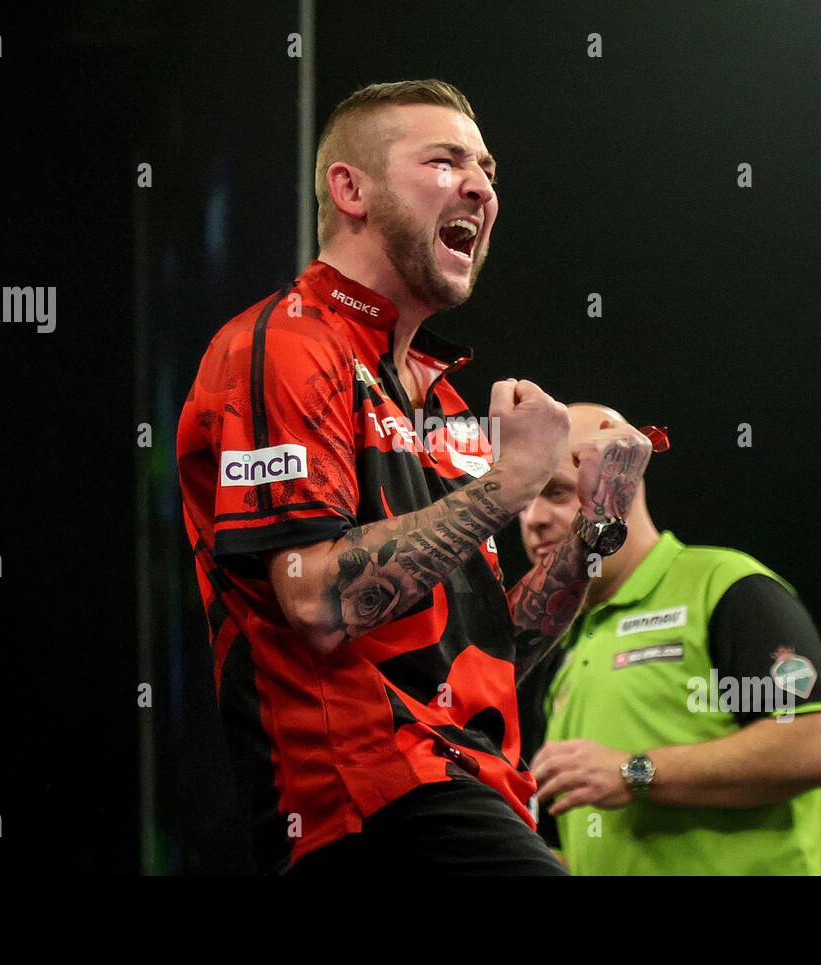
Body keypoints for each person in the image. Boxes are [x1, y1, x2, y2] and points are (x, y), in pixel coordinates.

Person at [175, 80, 652, 874]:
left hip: (471, 786)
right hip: (365, 801)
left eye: (488, 169)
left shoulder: (444, 401)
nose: (480, 185)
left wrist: (598, 524)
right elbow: (319, 599)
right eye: (444, 160)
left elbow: (486, 649)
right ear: (349, 189)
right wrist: (509, 482)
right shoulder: (284, 344)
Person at [523, 403, 821, 875]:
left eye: (557, 492)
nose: (532, 517)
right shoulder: (557, 643)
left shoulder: (724, 585)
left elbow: (819, 744)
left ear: (625, 482)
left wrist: (633, 771)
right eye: (525, 498)